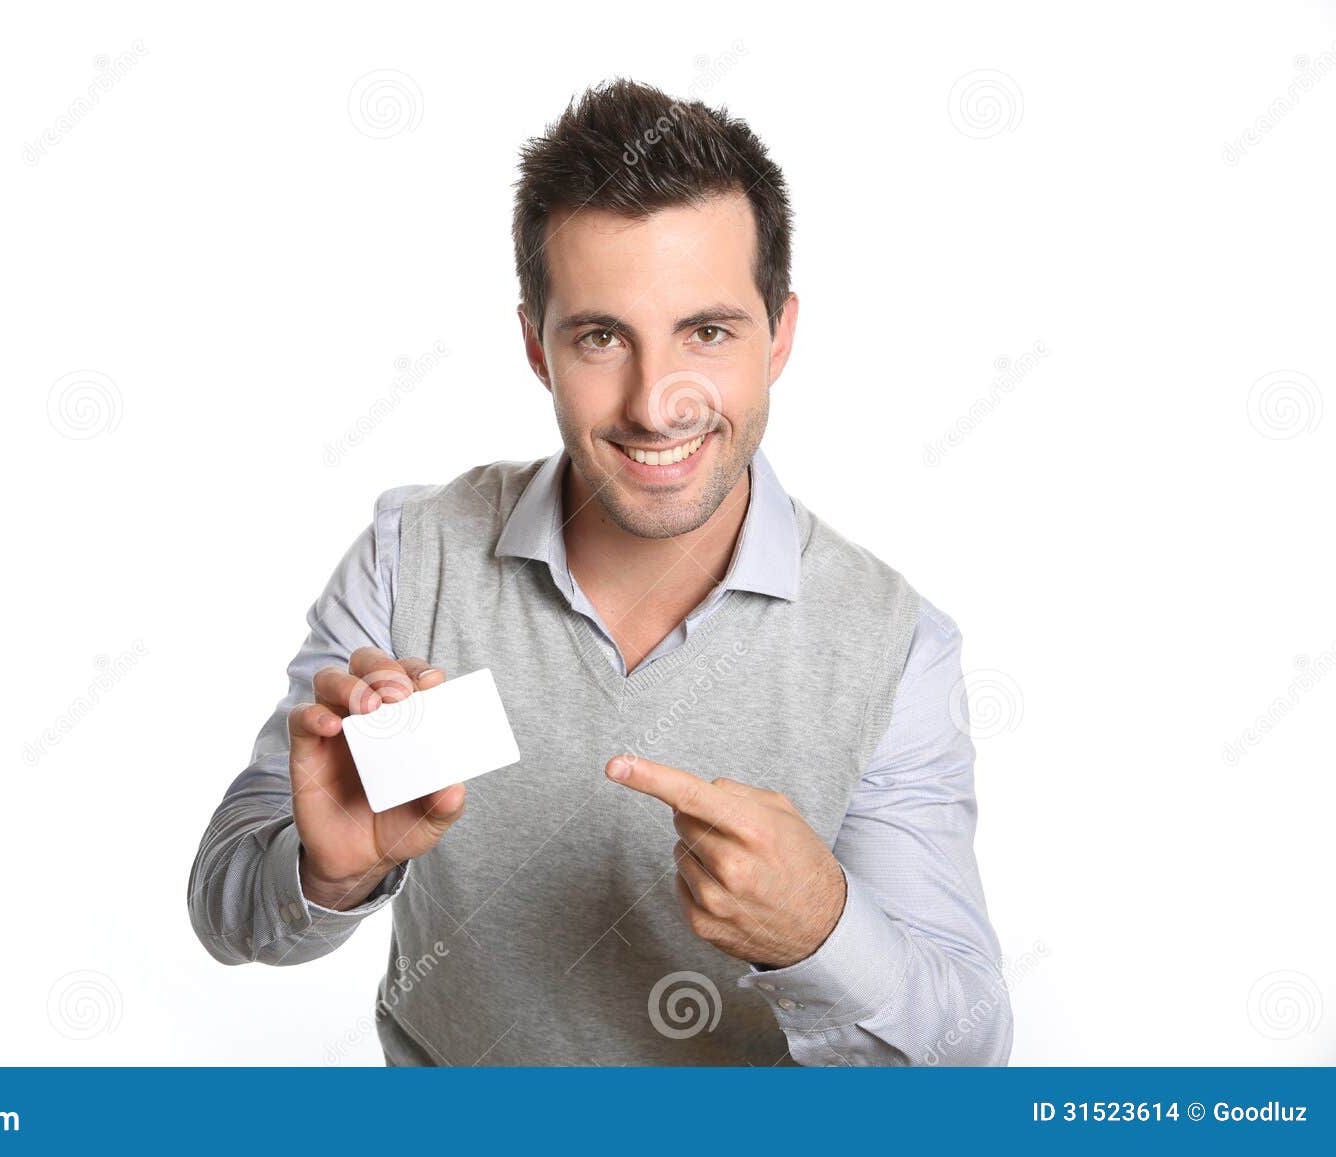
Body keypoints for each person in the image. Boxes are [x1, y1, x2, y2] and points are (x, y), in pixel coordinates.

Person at [187, 78, 1012, 1066]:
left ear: (779, 334)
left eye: (706, 331)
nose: (654, 402)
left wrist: (822, 930)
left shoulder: (895, 645)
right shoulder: (414, 557)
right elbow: (227, 909)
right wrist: (324, 870)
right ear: (536, 343)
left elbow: (969, 1054)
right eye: (600, 336)